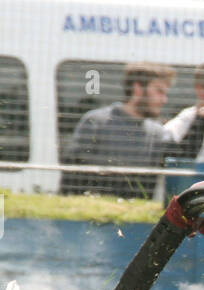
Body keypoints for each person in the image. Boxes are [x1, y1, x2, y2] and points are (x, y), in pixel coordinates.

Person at [61, 61, 177, 197]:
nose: (164, 100)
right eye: (159, 91)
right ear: (138, 88)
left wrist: (201, 121)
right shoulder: (96, 122)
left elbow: (180, 158)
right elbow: (72, 174)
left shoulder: (157, 133)